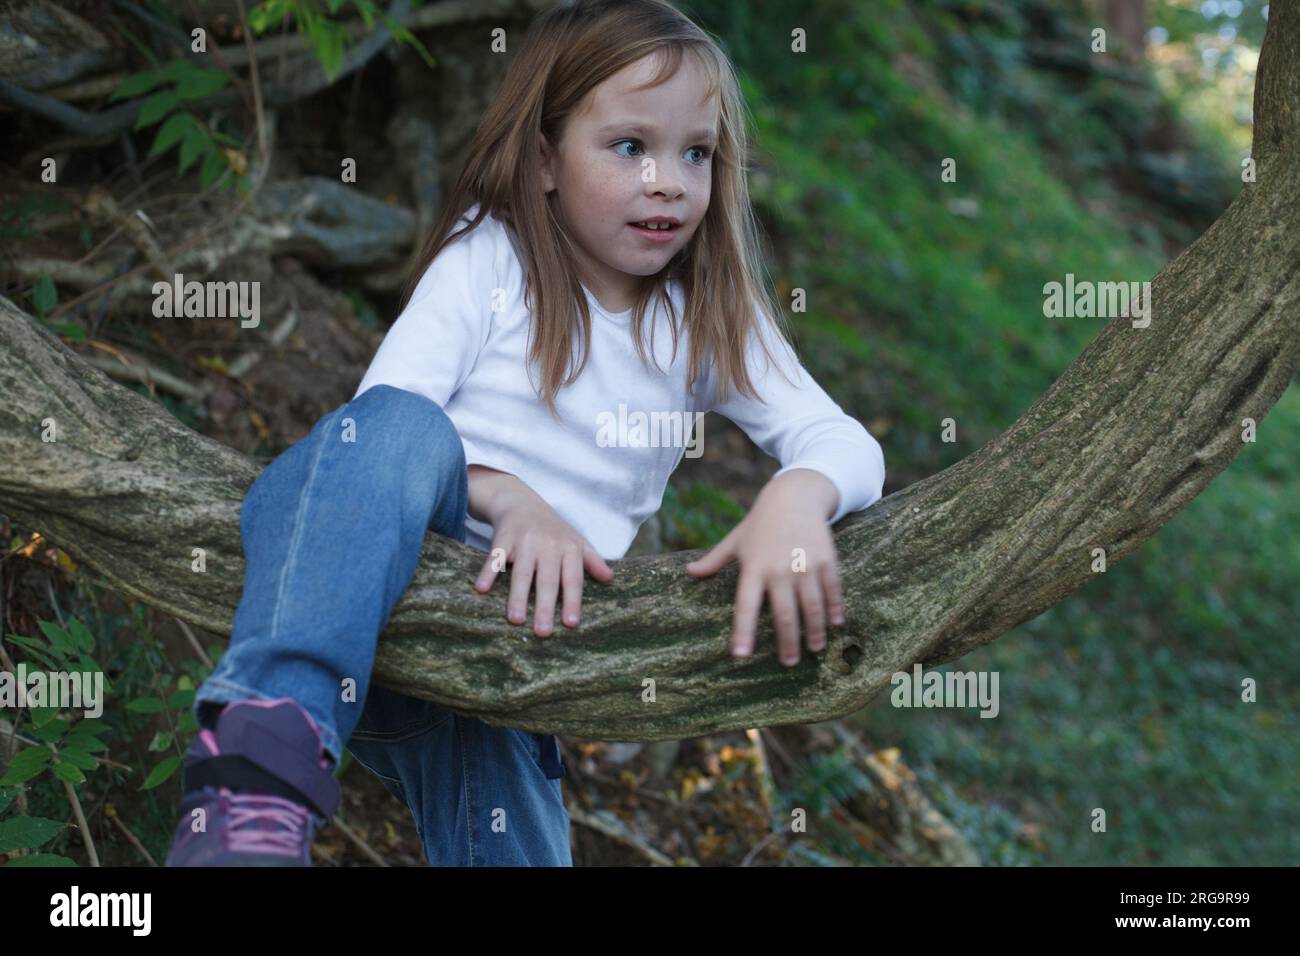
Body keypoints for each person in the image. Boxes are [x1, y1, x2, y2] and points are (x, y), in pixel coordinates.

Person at [165, 0, 886, 868]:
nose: (668, 180)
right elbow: (379, 420)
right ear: (544, 158)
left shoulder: (706, 321)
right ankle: (260, 770)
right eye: (630, 147)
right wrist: (512, 500)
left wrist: (797, 499)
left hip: (517, 656)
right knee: (398, 432)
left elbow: (840, 439)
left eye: (695, 152)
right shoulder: (489, 262)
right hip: (375, 587)